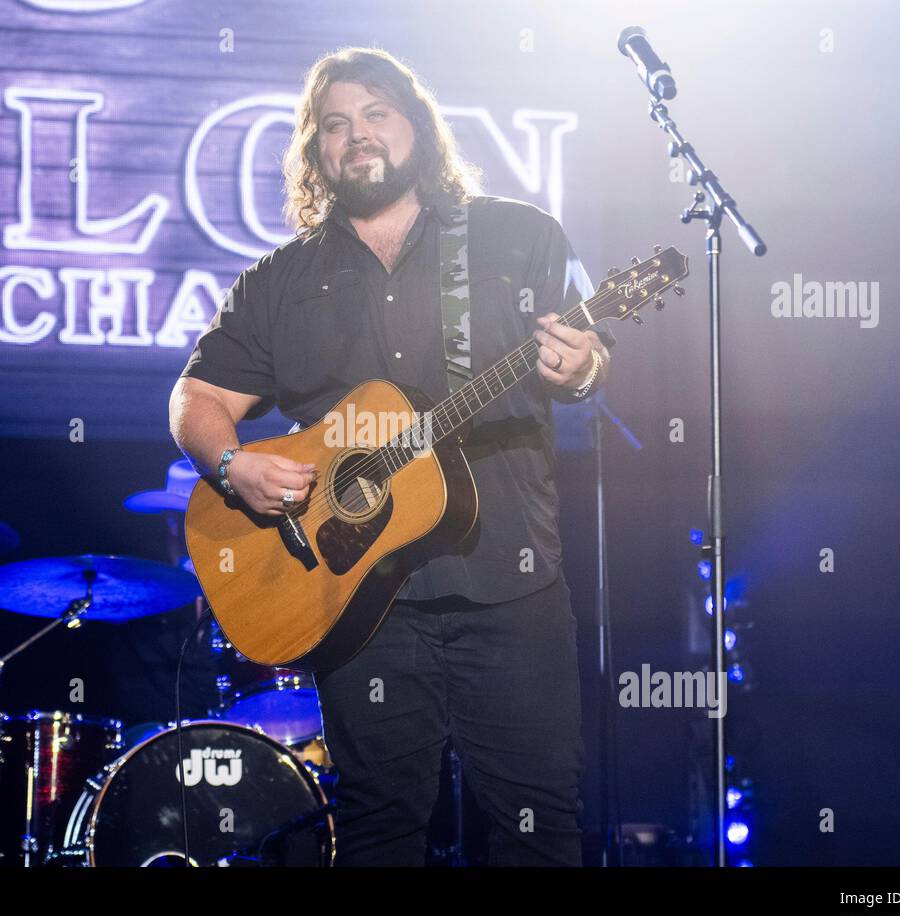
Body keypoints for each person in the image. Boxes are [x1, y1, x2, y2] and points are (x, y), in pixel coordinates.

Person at [170, 47, 614, 866]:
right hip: (353, 598)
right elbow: (197, 401)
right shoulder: (279, 280)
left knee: (536, 822)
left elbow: (585, 355)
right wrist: (232, 467)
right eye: (334, 125)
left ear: (418, 127)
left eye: (375, 114)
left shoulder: (517, 236)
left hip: (507, 584)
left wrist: (580, 366)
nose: (356, 135)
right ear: (316, 152)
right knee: (376, 829)